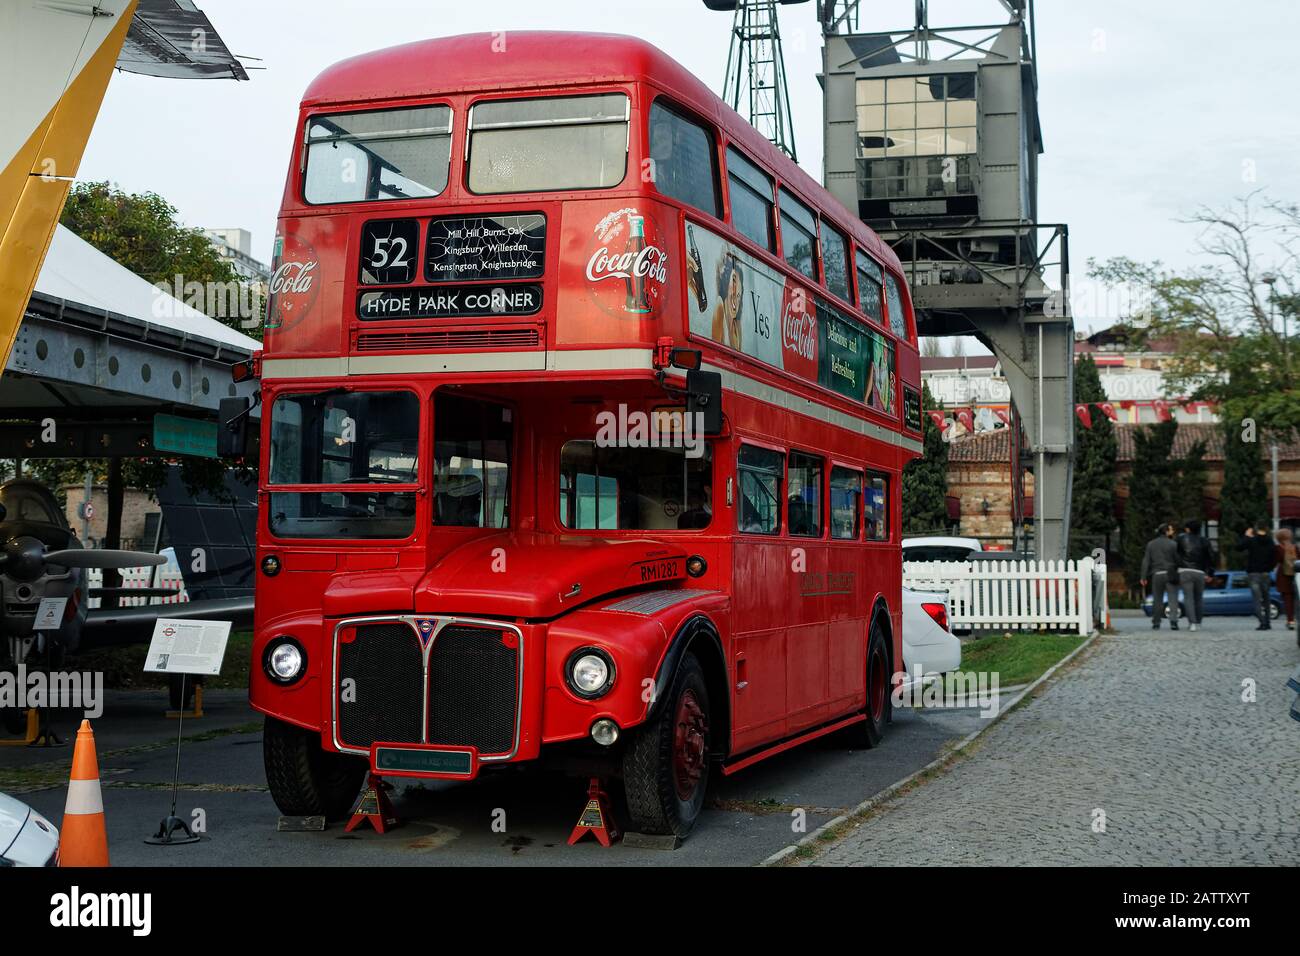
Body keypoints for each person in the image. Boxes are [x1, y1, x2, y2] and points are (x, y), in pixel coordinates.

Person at [1175, 519, 1216, 632]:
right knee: (1199, 598)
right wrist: (1210, 573)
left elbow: (1175, 554)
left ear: (1188, 529)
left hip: (1185, 571)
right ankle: (1198, 622)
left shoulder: (1181, 538)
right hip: (1200, 572)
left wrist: (1177, 567)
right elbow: (1211, 557)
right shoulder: (1205, 541)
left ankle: (1192, 623)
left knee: (1188, 598)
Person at [1140, 523, 1181, 630]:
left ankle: (1156, 622)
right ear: (1167, 532)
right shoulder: (1173, 544)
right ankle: (1173, 622)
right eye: (1171, 530)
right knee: (1173, 598)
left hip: (1157, 574)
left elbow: (1146, 561)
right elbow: (1178, 559)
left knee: (1157, 599)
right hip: (1170, 573)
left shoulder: (1151, 544)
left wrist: (1143, 576)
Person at [1239, 522, 1279, 631]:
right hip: (1266, 573)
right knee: (1266, 598)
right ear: (1266, 529)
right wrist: (1269, 568)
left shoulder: (1252, 540)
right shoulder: (1270, 542)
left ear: (1256, 529)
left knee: (1257, 599)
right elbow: (1274, 557)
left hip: (1254, 573)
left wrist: (1246, 536)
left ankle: (1262, 622)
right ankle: (1268, 622)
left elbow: (1239, 547)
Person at [1276, 528, 1297, 628]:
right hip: (1296, 576)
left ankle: (1291, 621)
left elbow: (1275, 561)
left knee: (1288, 600)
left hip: (1284, 577)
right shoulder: (1295, 547)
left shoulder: (1278, 548)